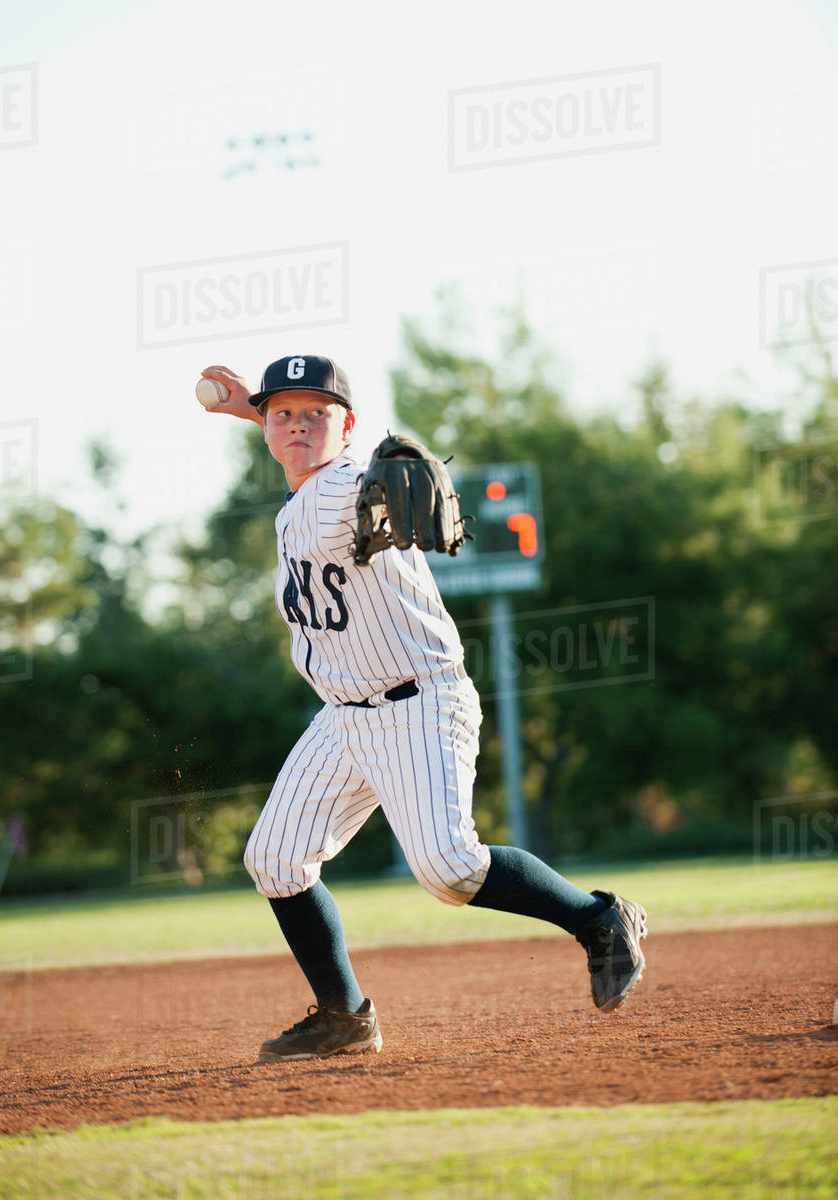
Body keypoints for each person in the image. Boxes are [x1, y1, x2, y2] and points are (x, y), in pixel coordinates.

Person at [200, 354, 647, 1063]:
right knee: (277, 860)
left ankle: (597, 919)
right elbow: (310, 441)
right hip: (345, 717)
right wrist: (245, 409)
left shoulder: (345, 485)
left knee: (449, 870)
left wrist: (352, 463)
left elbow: (355, 480)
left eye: (316, 413)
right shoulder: (301, 494)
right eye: (282, 413)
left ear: (347, 426)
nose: (296, 426)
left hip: (418, 703)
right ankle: (344, 1016)